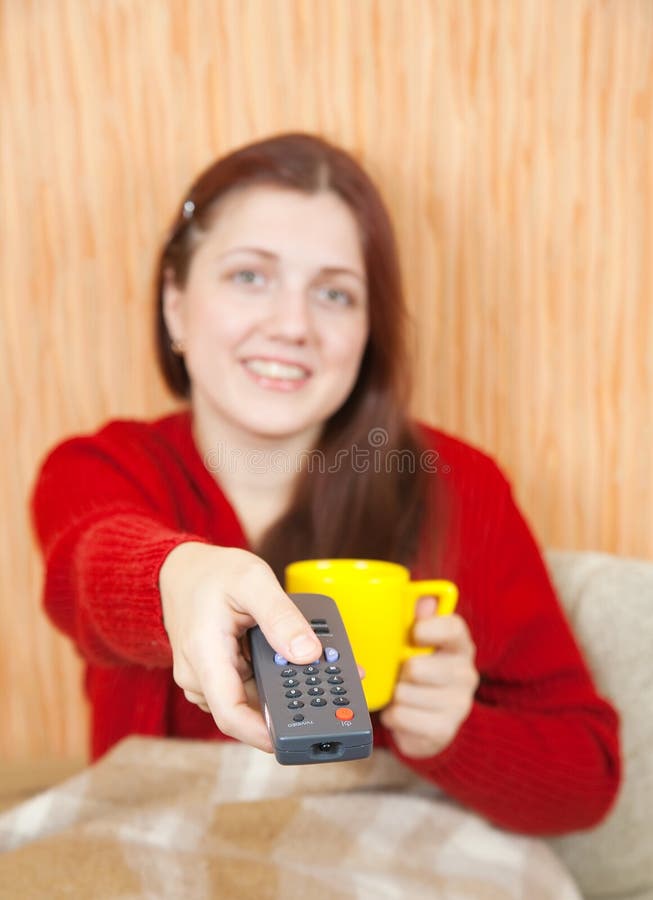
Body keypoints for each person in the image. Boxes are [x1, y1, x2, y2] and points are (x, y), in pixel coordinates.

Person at [31, 132, 620, 836]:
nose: (293, 325)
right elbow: (86, 566)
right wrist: (173, 578)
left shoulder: (457, 486)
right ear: (176, 302)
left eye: (335, 294)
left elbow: (587, 781)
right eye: (250, 276)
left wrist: (455, 734)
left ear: (368, 332)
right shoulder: (102, 467)